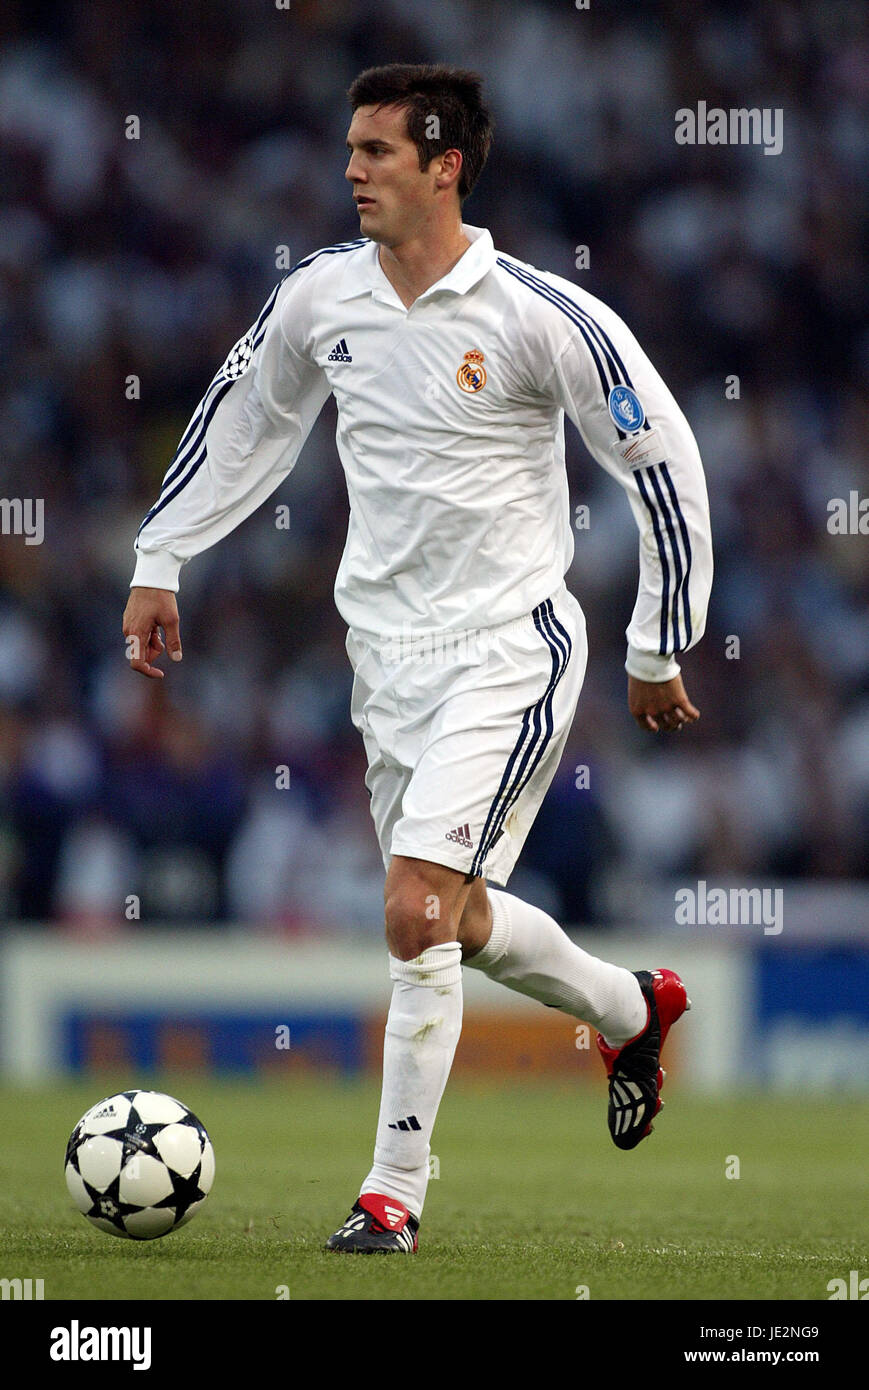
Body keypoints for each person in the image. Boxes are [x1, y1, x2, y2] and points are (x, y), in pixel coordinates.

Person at [123, 63, 712, 1254]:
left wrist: (659, 639)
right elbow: (243, 419)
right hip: (385, 662)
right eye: (348, 150)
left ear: (445, 167)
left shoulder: (541, 315)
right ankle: (630, 1006)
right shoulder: (319, 299)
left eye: (377, 152)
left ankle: (389, 1195)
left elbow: (662, 464)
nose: (350, 171)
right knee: (456, 916)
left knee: (411, 907)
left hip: (511, 646)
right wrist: (161, 555)